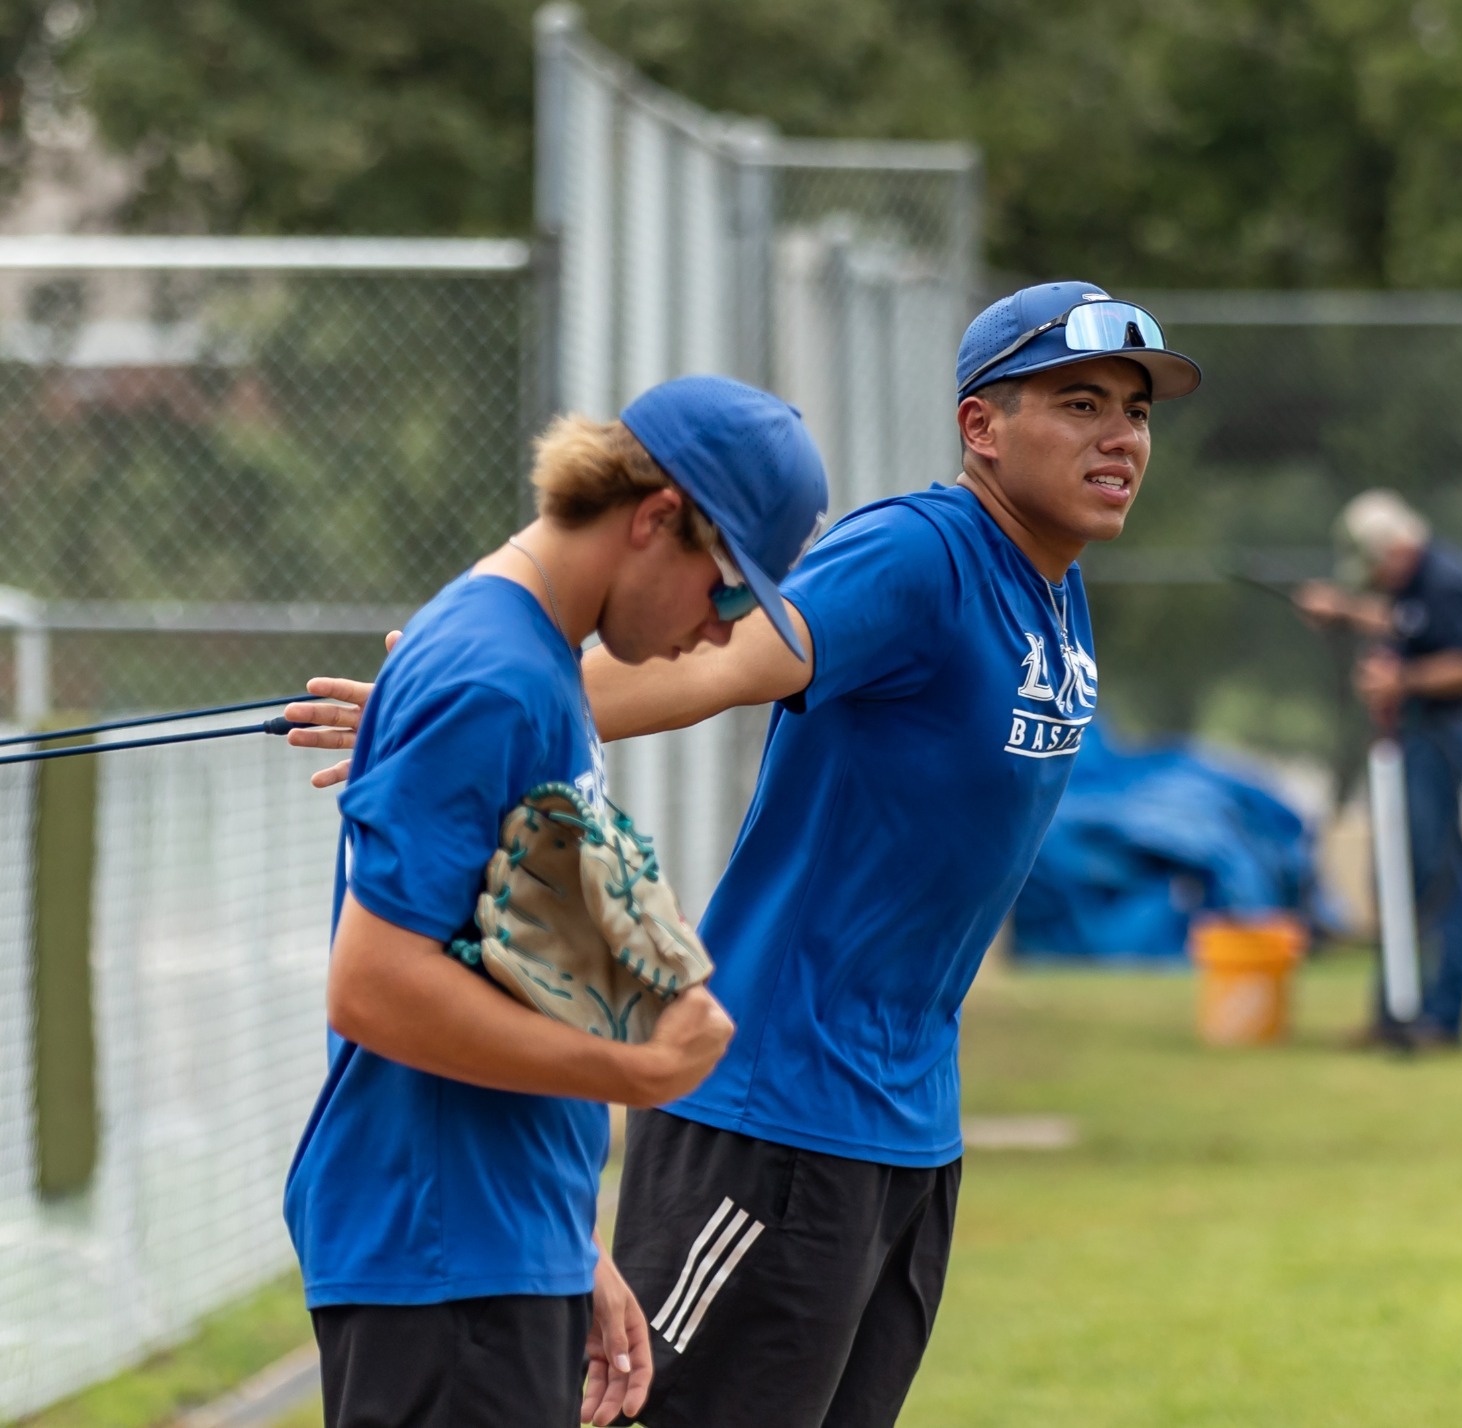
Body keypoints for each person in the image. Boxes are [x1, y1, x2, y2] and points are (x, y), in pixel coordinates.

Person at [289, 282, 1200, 1427]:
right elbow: (723, 660)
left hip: (906, 1115)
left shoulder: (1052, 589)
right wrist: (457, 704)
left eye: (1135, 411)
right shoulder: (920, 554)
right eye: (1078, 403)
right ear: (981, 426)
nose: (1119, 436)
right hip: (774, 1106)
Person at [282, 375, 826, 1428]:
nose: (722, 634)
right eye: (727, 593)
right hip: (443, 1250)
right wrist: (638, 1069)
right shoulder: (494, 677)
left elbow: (481, 951)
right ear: (656, 517)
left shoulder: (532, 659)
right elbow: (375, 985)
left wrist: (570, 1242)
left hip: (494, 1235)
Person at [1294, 490, 1462, 1050]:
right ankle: (1395, 1011)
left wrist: (1402, 682)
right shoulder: (1412, 586)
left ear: (1395, 549)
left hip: (1439, 739)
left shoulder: (1447, 580)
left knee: (1436, 876)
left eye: (1376, 568)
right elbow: (1403, 623)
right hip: (1407, 739)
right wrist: (1342, 610)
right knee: (1396, 873)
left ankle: (1437, 1016)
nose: (1376, 581)